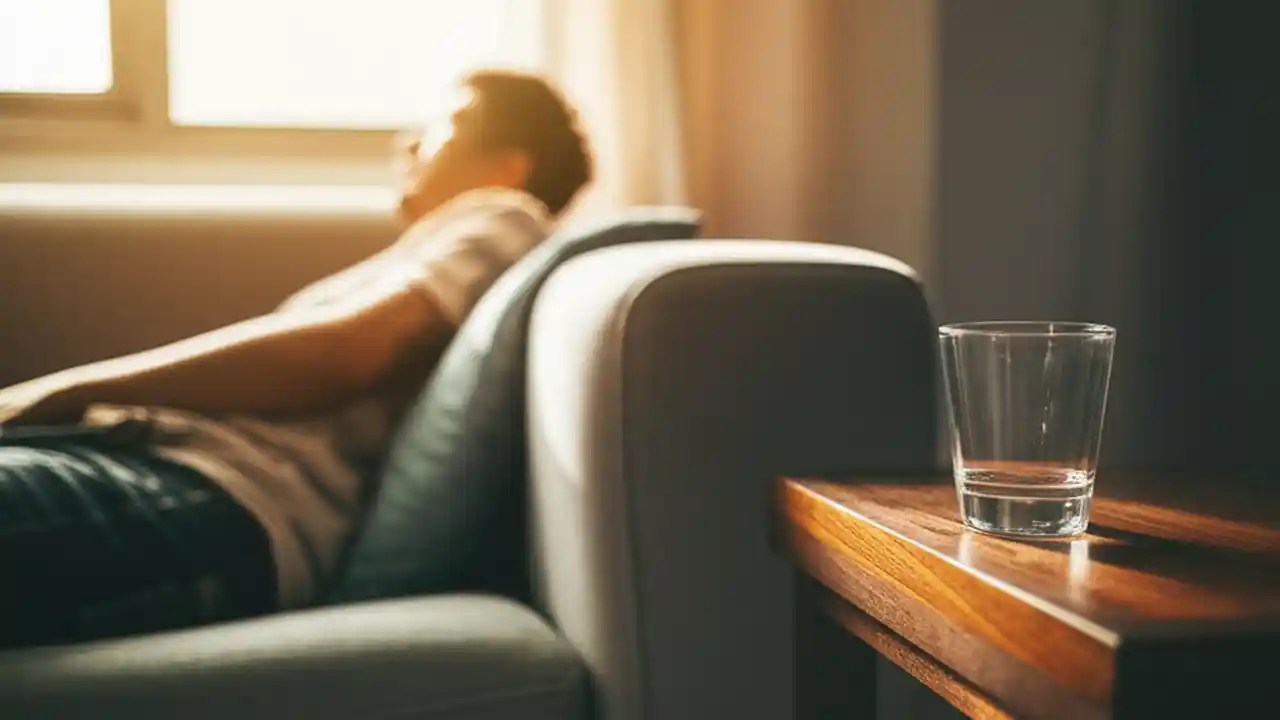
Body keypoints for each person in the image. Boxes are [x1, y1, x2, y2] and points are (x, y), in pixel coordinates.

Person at [0, 70, 592, 646]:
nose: (409, 141)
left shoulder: (505, 217)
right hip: (189, 478)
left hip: (226, 498)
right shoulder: (441, 248)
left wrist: (62, 393)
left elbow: (345, 353)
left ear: (512, 166)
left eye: (449, 121)